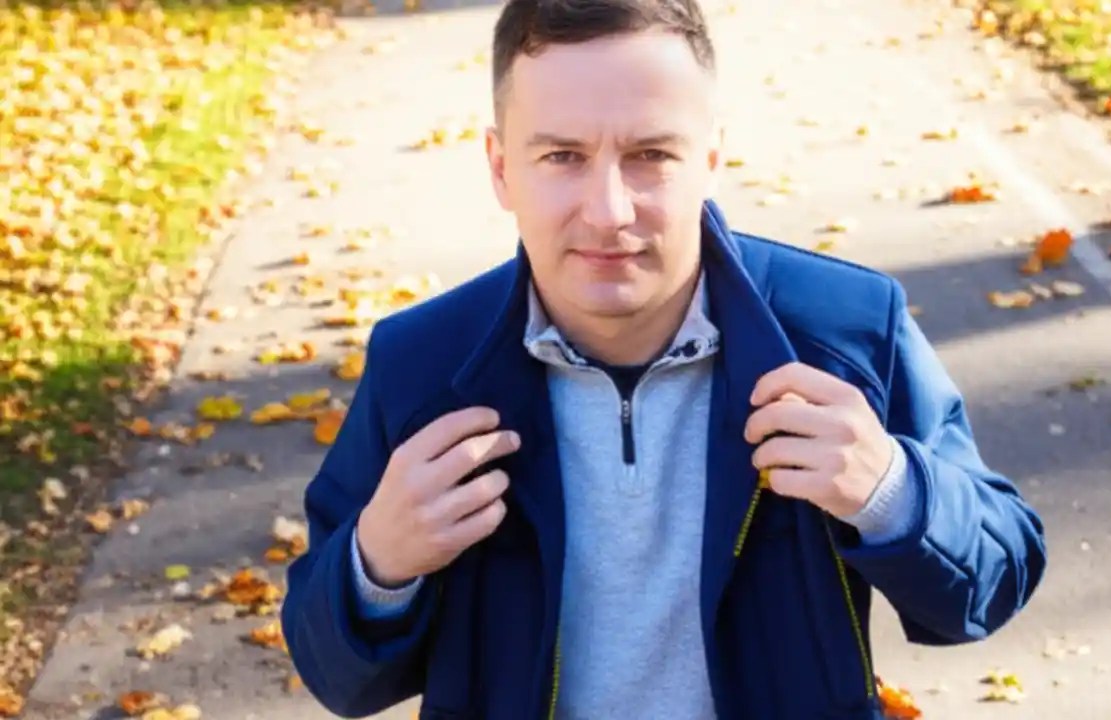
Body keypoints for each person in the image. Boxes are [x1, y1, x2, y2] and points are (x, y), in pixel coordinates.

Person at [280, 0, 1048, 717]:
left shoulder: (842, 333)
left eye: (650, 154)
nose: (610, 211)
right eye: (561, 157)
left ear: (711, 156)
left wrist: (889, 491)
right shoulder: (422, 366)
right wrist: (377, 564)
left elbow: (992, 581)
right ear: (500, 167)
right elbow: (340, 678)